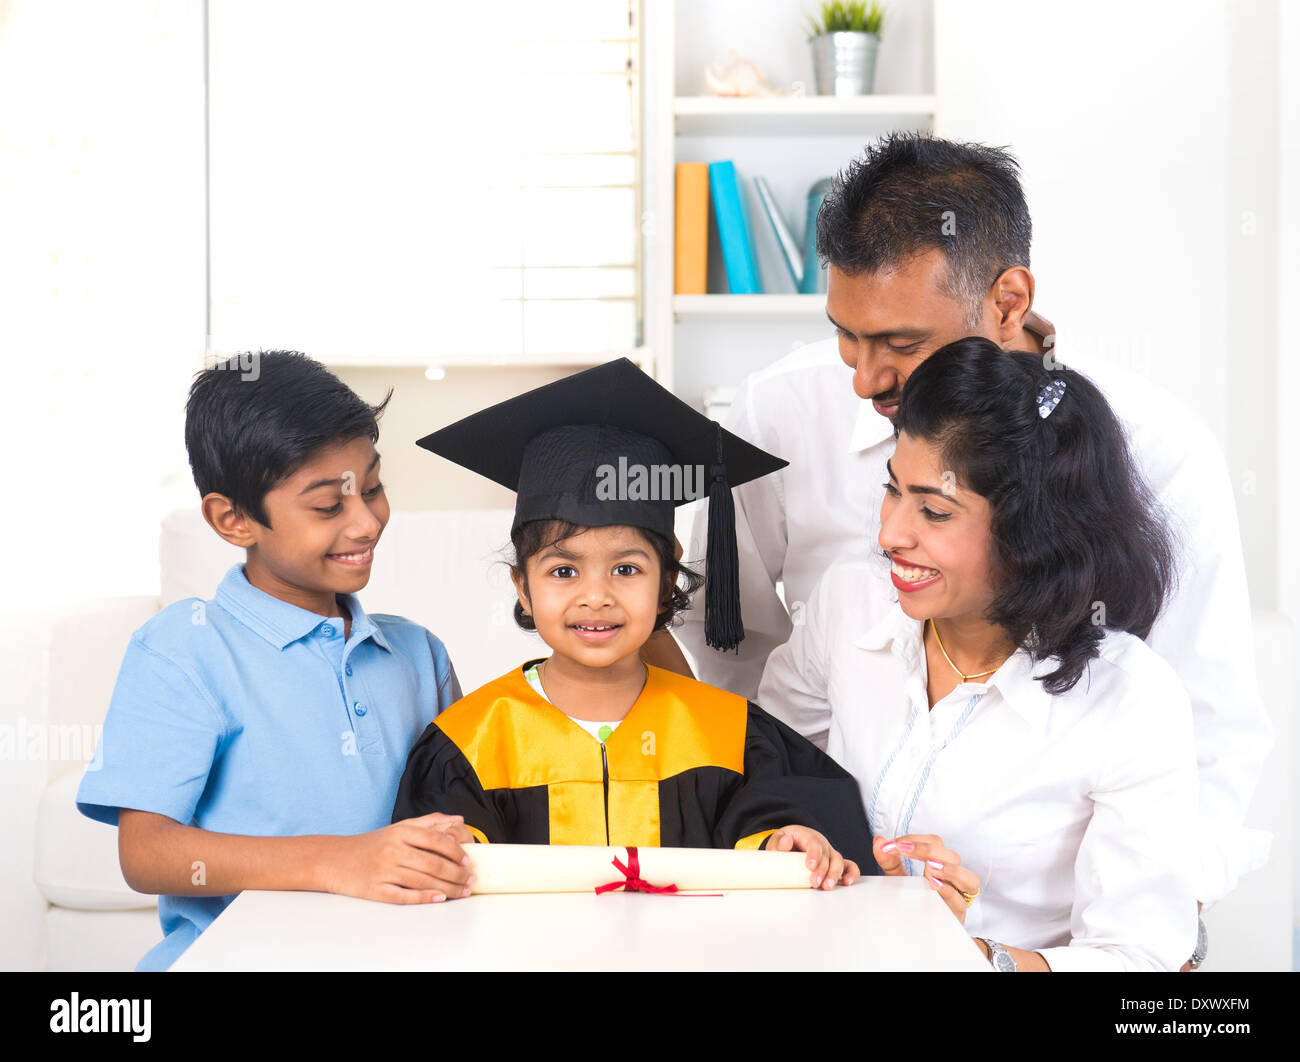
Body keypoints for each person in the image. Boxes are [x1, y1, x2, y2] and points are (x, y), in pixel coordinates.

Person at [668, 133, 1271, 931]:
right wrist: (773, 831)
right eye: (846, 333)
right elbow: (736, 654)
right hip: (837, 897)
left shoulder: (1158, 447)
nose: (864, 379)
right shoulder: (780, 411)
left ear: (1008, 302)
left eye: (902, 345)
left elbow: (1208, 716)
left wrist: (1148, 928)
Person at [760, 337, 1200, 970]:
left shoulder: (1130, 700)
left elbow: (1139, 959)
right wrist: (806, 844)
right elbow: (775, 772)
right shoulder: (849, 603)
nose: (890, 534)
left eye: (934, 512)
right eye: (893, 491)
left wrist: (972, 957)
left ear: (1034, 531)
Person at [392, 358, 875, 884]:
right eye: (563, 570)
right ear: (522, 590)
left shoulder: (731, 734)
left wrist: (788, 844)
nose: (595, 597)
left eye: (626, 568)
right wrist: (451, 852)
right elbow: (439, 878)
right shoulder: (470, 741)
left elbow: (786, 836)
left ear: (668, 580)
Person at [76, 351, 472, 971]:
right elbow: (146, 853)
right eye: (327, 506)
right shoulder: (185, 650)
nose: (367, 522)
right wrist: (337, 860)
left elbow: (459, 816)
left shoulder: (418, 654)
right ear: (233, 519)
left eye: (372, 487)